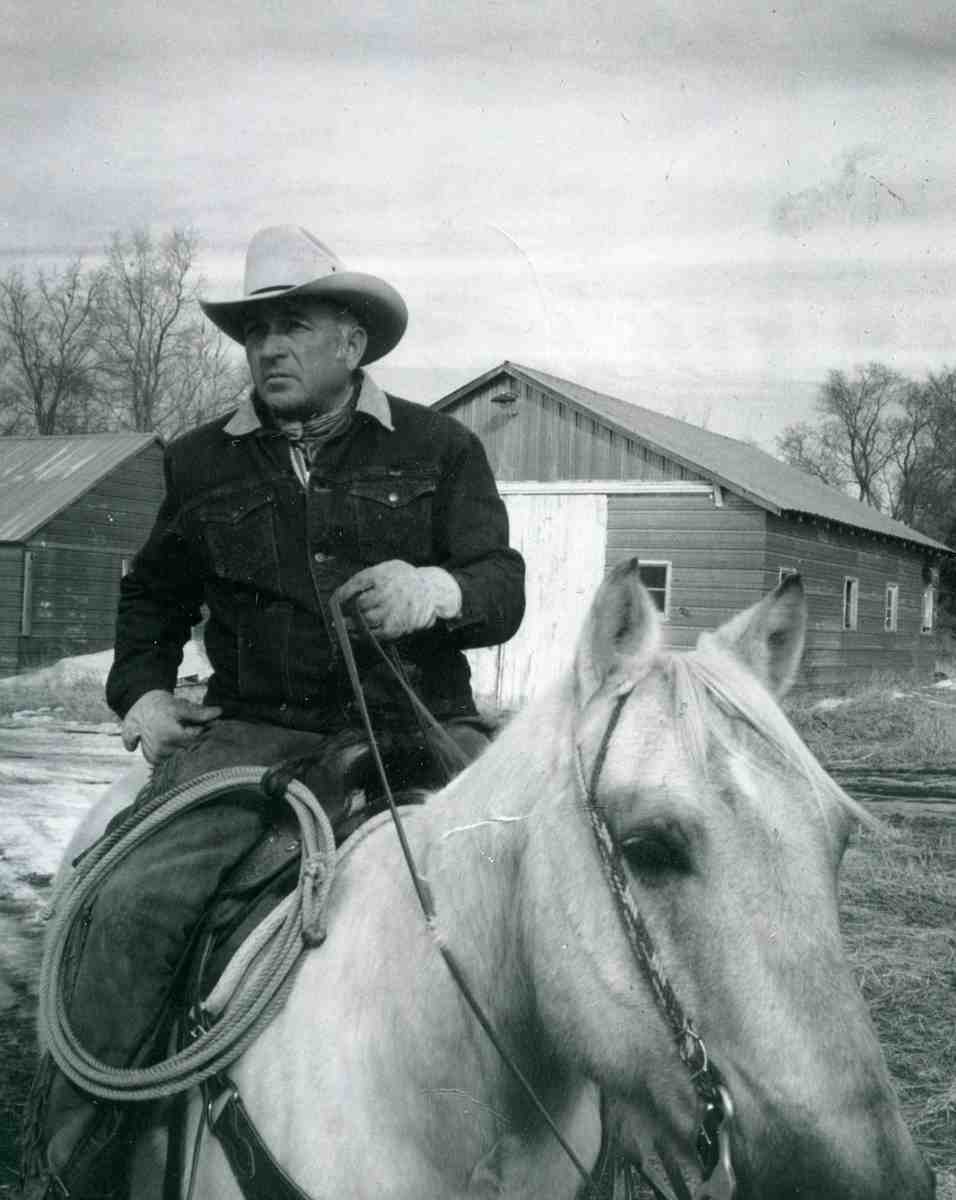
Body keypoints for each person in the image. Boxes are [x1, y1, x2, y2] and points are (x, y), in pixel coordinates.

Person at [28, 225, 525, 1199]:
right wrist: (143, 693)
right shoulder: (201, 461)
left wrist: (435, 591)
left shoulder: (440, 447)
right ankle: (74, 1162)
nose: (268, 348)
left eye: (292, 325)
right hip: (254, 734)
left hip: (420, 725)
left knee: (556, 877)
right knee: (130, 905)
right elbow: (152, 593)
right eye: (256, 330)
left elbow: (499, 583)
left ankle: (651, 1143)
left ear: (353, 341)